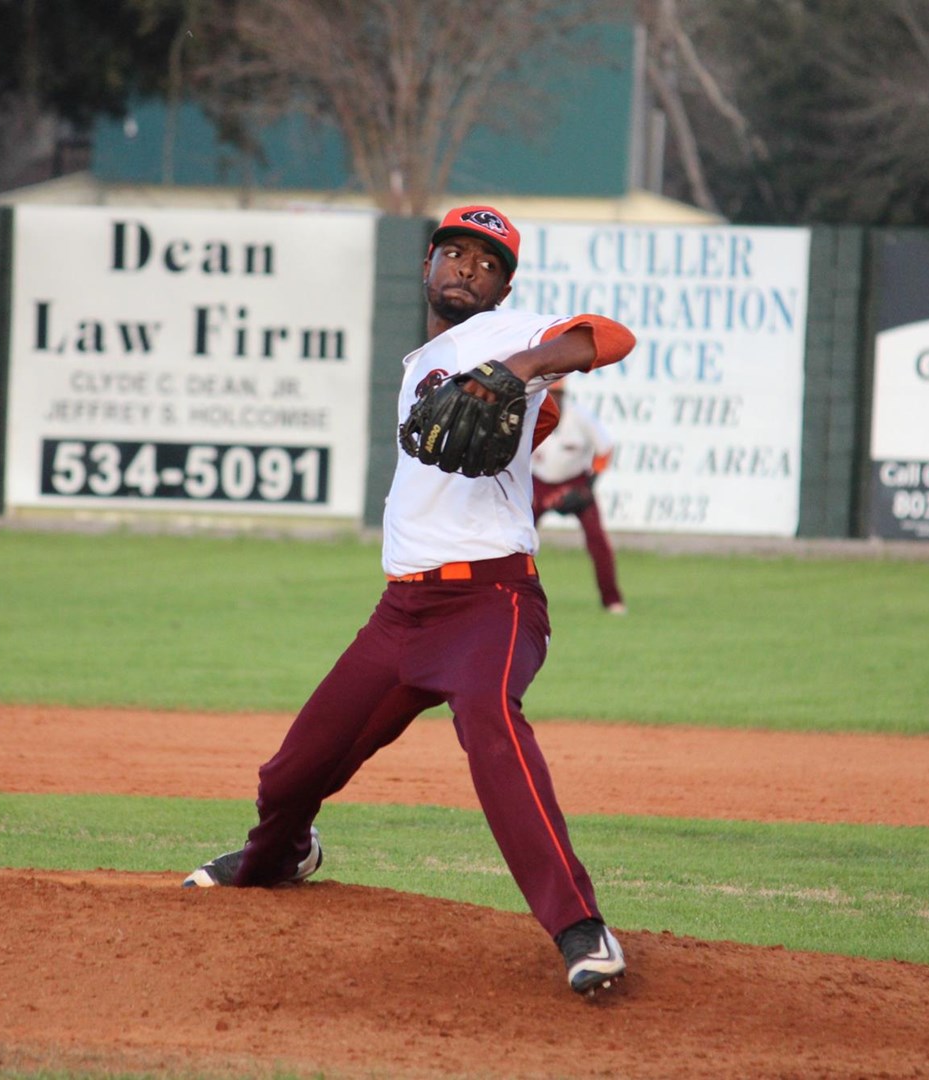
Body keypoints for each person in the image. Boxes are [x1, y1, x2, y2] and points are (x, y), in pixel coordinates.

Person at [182, 205, 637, 997]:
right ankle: (278, 859)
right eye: (456, 254)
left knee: (491, 725)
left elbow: (608, 336)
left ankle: (580, 927)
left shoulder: (508, 335)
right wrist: (528, 415)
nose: (469, 269)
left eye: (488, 264)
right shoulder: (422, 360)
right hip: (401, 616)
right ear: (428, 263)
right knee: (291, 774)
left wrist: (522, 370)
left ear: (504, 287)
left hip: (491, 602)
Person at [531, 380, 627, 614]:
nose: (554, 399)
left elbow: (605, 449)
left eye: (558, 394)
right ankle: (518, 595)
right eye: (549, 394)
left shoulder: (580, 417)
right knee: (518, 539)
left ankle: (612, 600)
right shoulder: (530, 415)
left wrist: (589, 487)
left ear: (565, 396)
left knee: (597, 540)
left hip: (575, 481)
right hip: (538, 482)